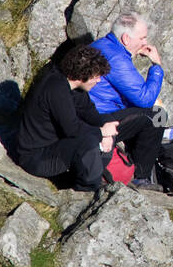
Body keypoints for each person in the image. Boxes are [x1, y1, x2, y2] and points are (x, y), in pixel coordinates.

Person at [13, 45, 119, 193]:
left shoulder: (69, 84)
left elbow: (88, 112)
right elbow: (72, 129)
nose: (99, 80)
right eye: (96, 76)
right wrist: (101, 132)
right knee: (88, 141)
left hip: (55, 146)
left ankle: (92, 174)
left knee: (107, 123)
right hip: (36, 157)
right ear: (83, 75)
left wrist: (105, 129)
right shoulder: (56, 89)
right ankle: (88, 190)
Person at [89, 11, 165, 115]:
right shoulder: (117, 59)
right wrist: (157, 66)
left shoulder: (101, 44)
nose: (145, 43)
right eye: (142, 38)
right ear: (126, 39)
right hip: (102, 115)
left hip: (93, 108)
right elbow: (145, 99)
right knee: (158, 113)